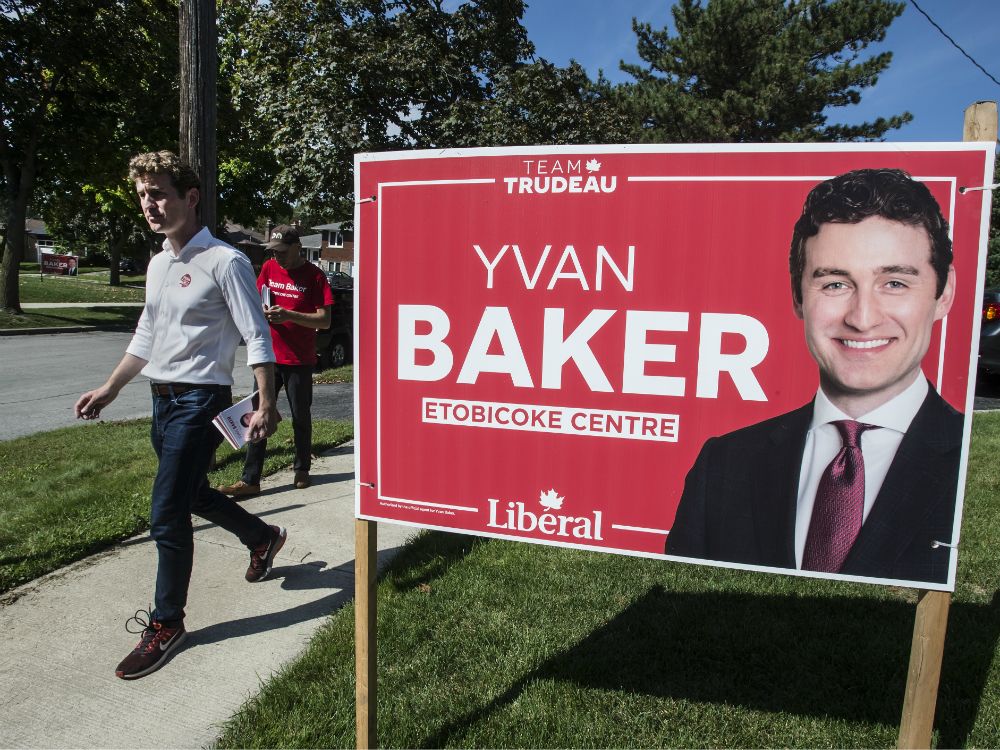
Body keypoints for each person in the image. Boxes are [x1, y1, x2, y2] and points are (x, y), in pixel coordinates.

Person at [666, 168, 963, 585]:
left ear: (943, 293)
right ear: (797, 296)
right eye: (835, 284)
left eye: (894, 283)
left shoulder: (976, 468)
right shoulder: (724, 462)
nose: (862, 318)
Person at [75, 150, 288, 680]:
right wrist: (110, 387)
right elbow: (147, 336)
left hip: (201, 400)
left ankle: (166, 623)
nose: (150, 204)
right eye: (144, 195)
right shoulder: (158, 263)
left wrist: (266, 401)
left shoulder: (224, 260)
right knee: (190, 493)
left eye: (160, 193)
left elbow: (256, 334)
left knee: (166, 512)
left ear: (190, 198)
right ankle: (261, 537)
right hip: (161, 398)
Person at [216, 225, 334, 498]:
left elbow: (325, 321)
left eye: (282, 252)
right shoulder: (269, 268)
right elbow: (256, 299)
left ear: (297, 248)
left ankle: (302, 468)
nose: (277, 257)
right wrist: (263, 311)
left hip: (299, 359)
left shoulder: (315, 276)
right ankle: (250, 479)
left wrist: (290, 316)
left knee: (300, 417)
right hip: (268, 357)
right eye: (274, 252)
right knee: (258, 414)